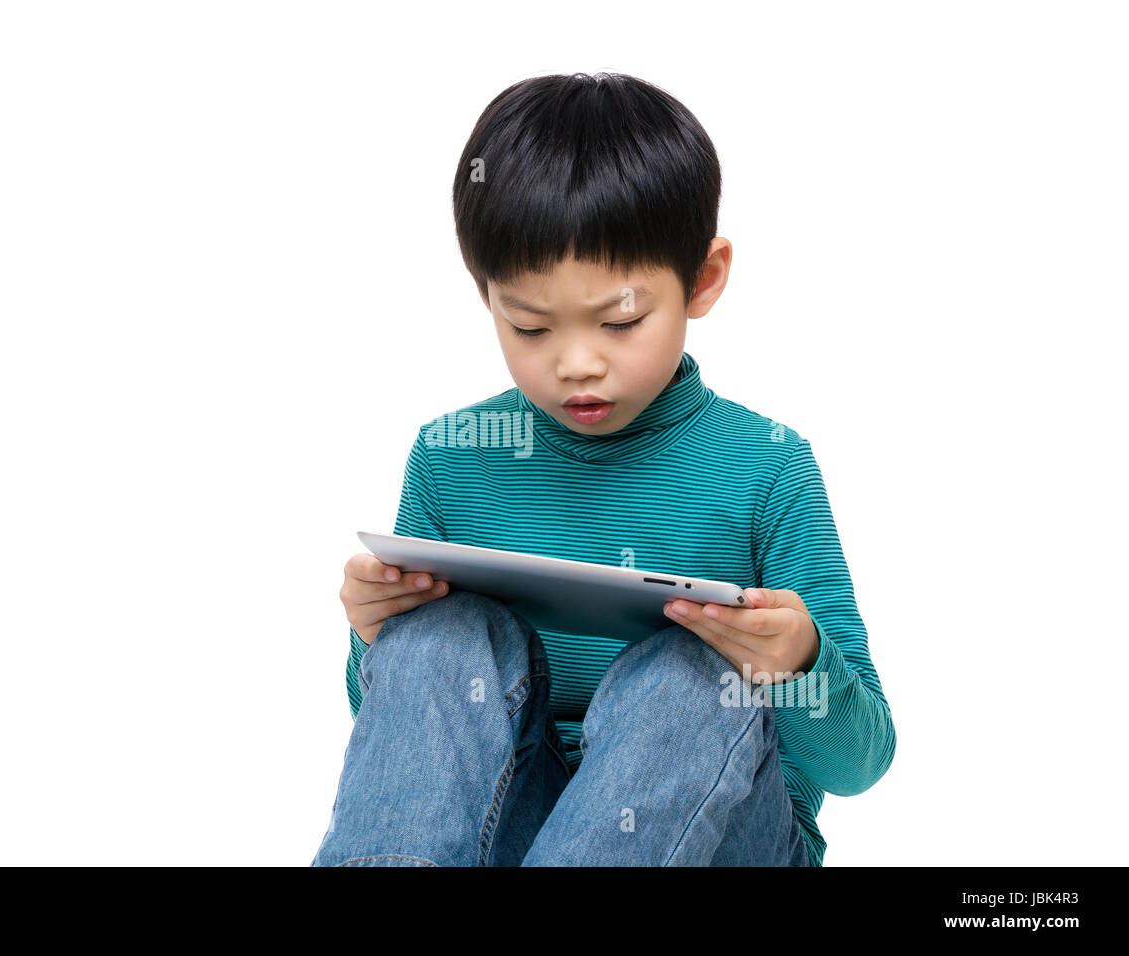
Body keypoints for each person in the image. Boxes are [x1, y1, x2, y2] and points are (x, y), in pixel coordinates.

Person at [314, 72, 895, 867]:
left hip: (726, 841)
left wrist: (796, 663)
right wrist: (378, 634)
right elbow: (408, 755)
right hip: (517, 836)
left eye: (621, 322)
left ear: (702, 280)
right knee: (438, 636)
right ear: (486, 296)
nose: (576, 364)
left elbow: (859, 765)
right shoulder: (453, 457)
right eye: (530, 326)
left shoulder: (768, 466)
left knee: (690, 672)